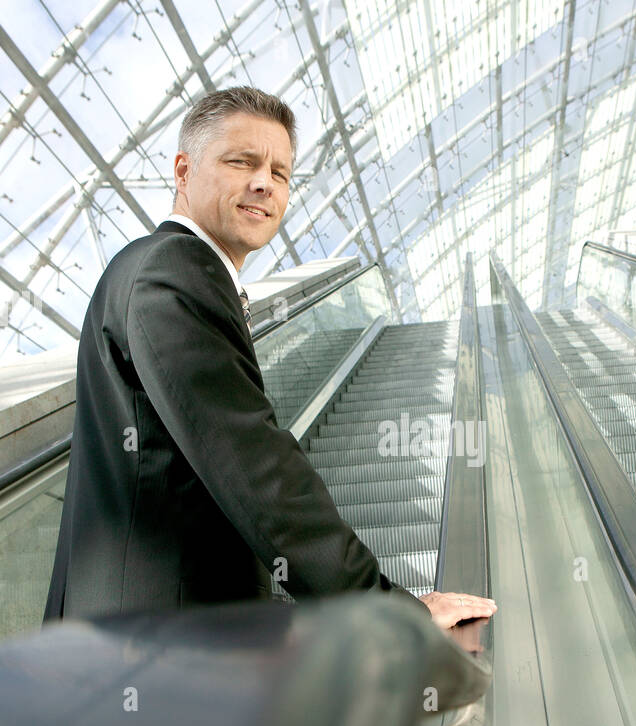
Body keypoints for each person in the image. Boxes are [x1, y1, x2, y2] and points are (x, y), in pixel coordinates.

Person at [43, 86, 496, 634]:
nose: (265, 183)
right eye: (243, 162)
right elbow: (252, 464)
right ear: (183, 171)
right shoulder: (174, 269)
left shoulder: (157, 271)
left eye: (281, 173)